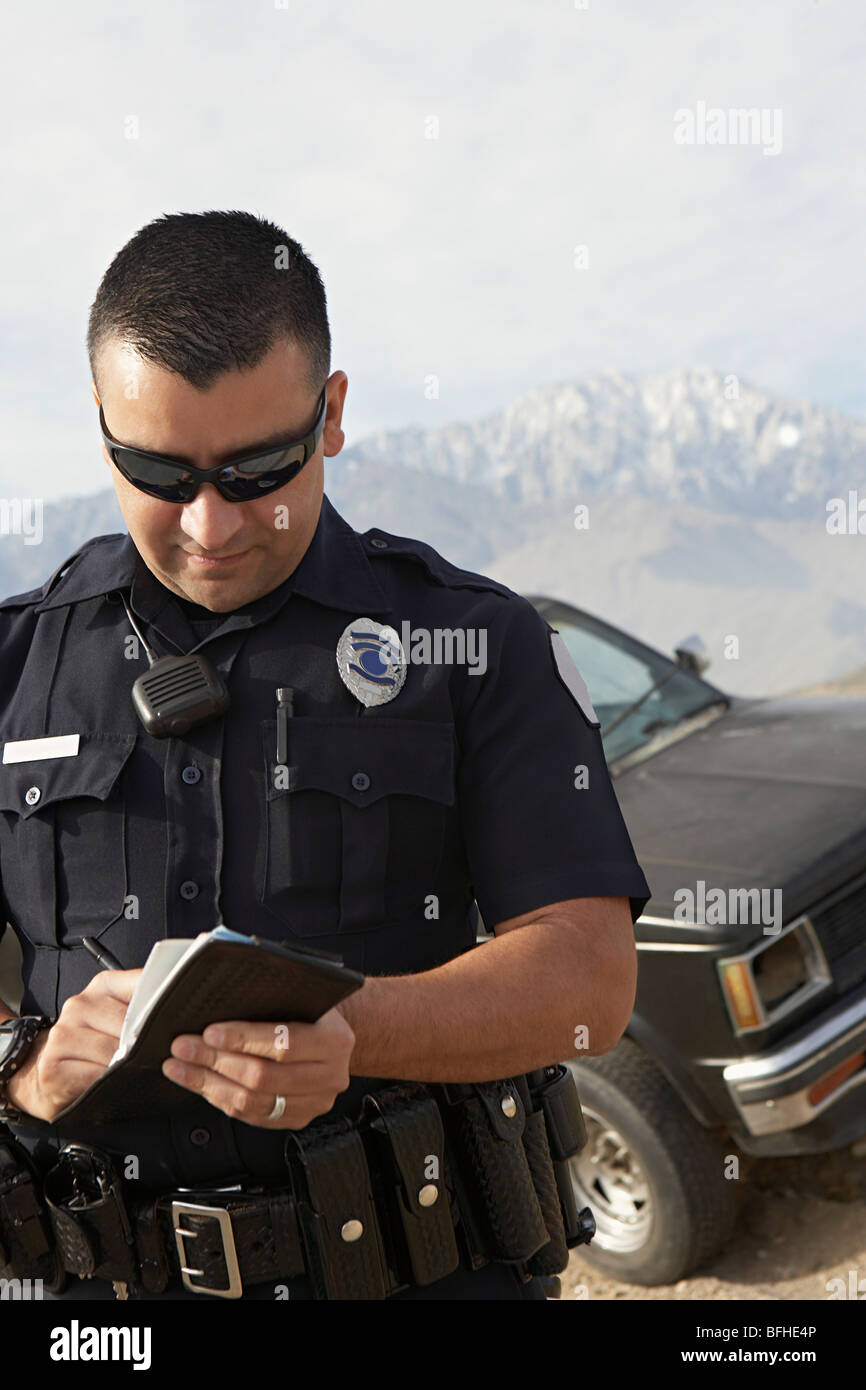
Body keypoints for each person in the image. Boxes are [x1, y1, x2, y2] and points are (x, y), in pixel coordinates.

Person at [0, 210, 651, 1301]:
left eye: (257, 470)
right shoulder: (13, 663)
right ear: (103, 428)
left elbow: (587, 977)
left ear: (332, 413)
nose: (209, 526)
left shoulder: (473, 644)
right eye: (159, 473)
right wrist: (22, 1064)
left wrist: (354, 1031)